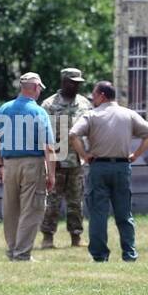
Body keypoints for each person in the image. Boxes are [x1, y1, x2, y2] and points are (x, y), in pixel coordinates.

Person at [68, 81, 148, 263]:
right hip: (122, 167)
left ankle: (100, 255)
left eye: (94, 95)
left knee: (98, 213)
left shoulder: (92, 115)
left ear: (102, 95)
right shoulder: (129, 114)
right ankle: (129, 253)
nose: (92, 99)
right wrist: (135, 155)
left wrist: (85, 155)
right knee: (124, 213)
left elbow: (72, 135)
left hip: (99, 167)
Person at [0, 72, 57, 261]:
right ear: (36, 88)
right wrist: (51, 174)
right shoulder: (39, 112)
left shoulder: (4, 109)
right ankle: (22, 254)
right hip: (32, 164)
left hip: (9, 165)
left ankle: (13, 249)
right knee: (32, 208)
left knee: (11, 208)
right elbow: (48, 146)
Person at [40, 67, 92, 249]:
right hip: (56, 160)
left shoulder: (85, 104)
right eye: (73, 82)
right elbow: (42, 134)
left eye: (79, 83)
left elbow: (91, 128)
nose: (76, 86)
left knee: (76, 200)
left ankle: (76, 236)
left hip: (77, 160)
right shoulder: (49, 105)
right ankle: (47, 237)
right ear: (64, 82)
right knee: (52, 201)